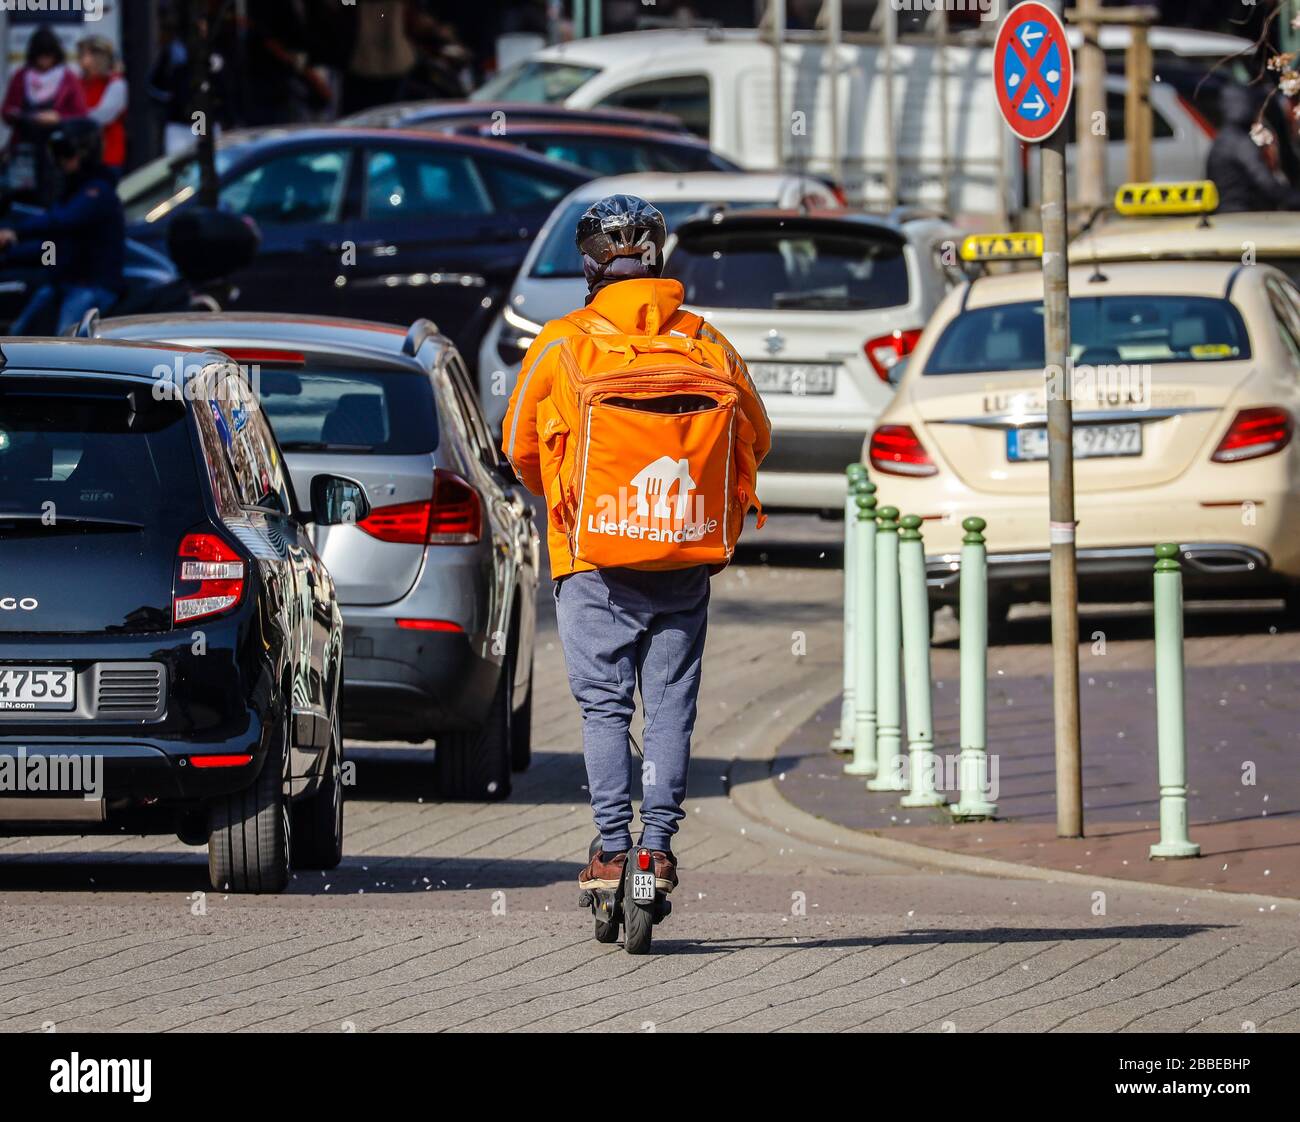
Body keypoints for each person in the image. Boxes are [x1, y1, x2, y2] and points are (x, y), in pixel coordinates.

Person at [501, 195, 771, 895]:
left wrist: (567, 493)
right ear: (658, 257)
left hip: (591, 556)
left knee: (605, 707)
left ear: (588, 264)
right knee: (671, 703)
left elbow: (518, 446)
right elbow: (757, 434)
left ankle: (613, 851)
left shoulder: (563, 341)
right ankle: (657, 847)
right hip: (684, 552)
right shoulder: (707, 341)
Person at [0, 119, 125, 335]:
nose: (62, 162)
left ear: (85, 153)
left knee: (65, 344)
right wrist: (10, 252)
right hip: (63, 282)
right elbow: (52, 245)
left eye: (66, 153)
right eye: (58, 154)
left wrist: (16, 233)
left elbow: (63, 221)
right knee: (18, 334)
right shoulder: (72, 190)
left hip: (91, 286)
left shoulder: (97, 191)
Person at [2, 28, 87, 202]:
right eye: (41, 57)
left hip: (56, 152)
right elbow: (6, 110)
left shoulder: (67, 78)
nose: (44, 62)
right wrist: (20, 116)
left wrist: (58, 118)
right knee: (21, 197)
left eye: (48, 56)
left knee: (54, 196)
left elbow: (81, 115)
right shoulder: (22, 77)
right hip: (26, 150)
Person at [1207, 85, 1300, 213]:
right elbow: (1264, 181)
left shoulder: (1223, 137)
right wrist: (1292, 198)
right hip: (1244, 214)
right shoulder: (1240, 143)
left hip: (1226, 212)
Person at [76, 36, 128, 174]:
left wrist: (70, 116)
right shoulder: (78, 83)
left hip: (108, 157)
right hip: (80, 157)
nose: (82, 60)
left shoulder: (115, 83)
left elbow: (104, 116)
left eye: (86, 55)